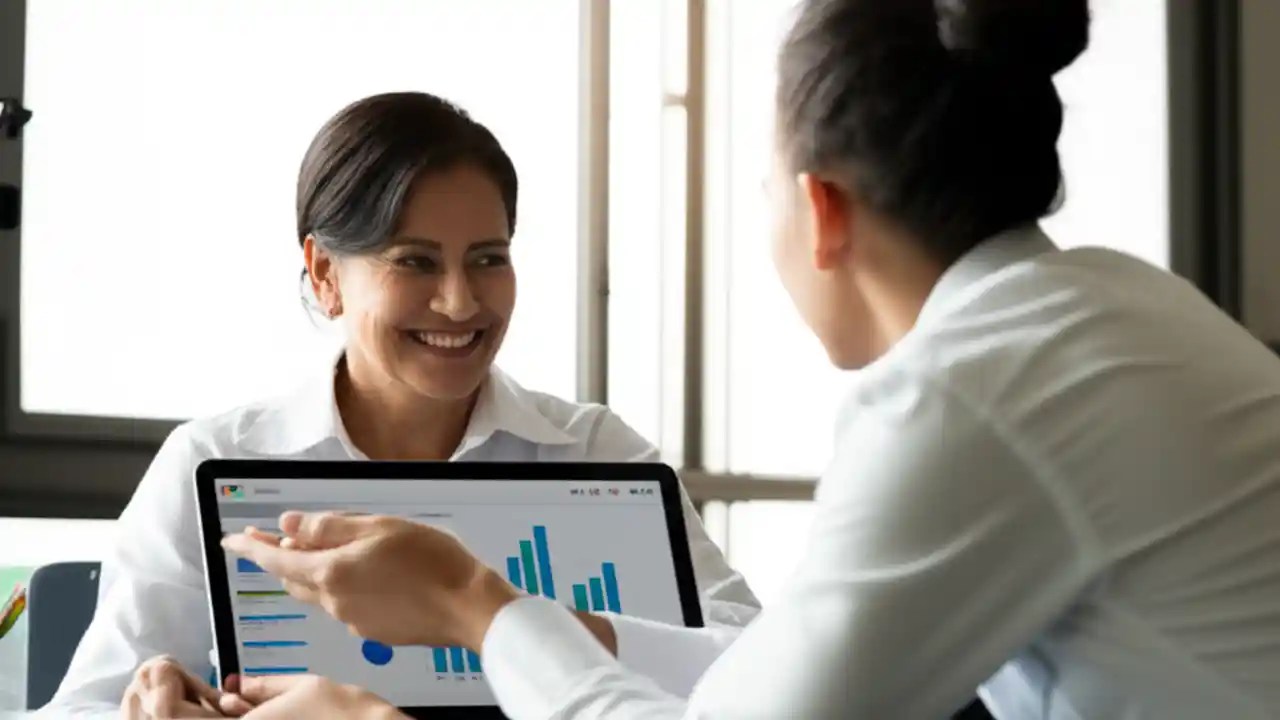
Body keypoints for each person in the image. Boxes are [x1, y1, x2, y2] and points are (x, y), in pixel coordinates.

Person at [221, 0, 1280, 718]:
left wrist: (469, 605)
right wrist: (541, 621)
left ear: (818, 210)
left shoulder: (968, 395)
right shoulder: (1117, 313)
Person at [44, 92, 758, 720]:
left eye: (488, 257)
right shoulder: (215, 459)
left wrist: (512, 626)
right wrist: (147, 709)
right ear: (325, 274)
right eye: (415, 261)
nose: (460, 301)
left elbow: (759, 670)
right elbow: (83, 706)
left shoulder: (595, 453)